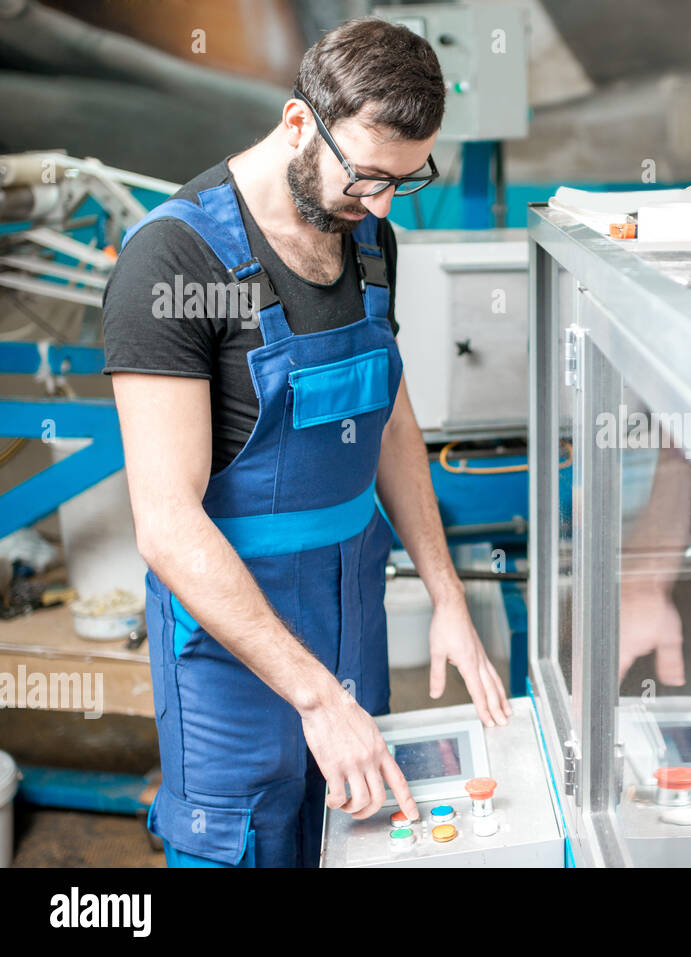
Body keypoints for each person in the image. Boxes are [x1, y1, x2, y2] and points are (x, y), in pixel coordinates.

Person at [101, 17, 509, 868]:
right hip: (230, 644)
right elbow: (168, 524)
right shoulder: (179, 267)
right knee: (244, 842)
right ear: (298, 123)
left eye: (407, 179)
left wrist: (444, 594)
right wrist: (315, 699)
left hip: (352, 609)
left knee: (357, 836)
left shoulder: (369, 236)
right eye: (366, 175)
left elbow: (390, 413)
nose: (382, 204)